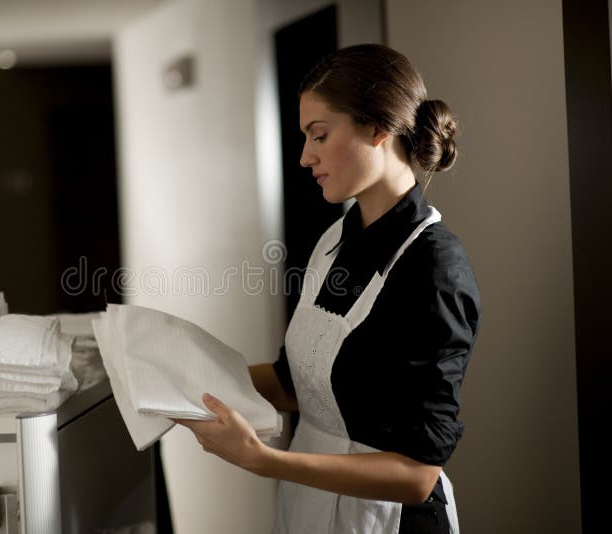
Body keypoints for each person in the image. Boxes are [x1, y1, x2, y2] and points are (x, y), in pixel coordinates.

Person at [174, 43, 481, 534]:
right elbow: (295, 384)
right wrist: (181, 378)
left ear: (378, 127)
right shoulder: (336, 238)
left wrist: (261, 460)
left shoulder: (435, 267)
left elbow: (417, 474)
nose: (304, 156)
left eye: (318, 135)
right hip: (312, 510)